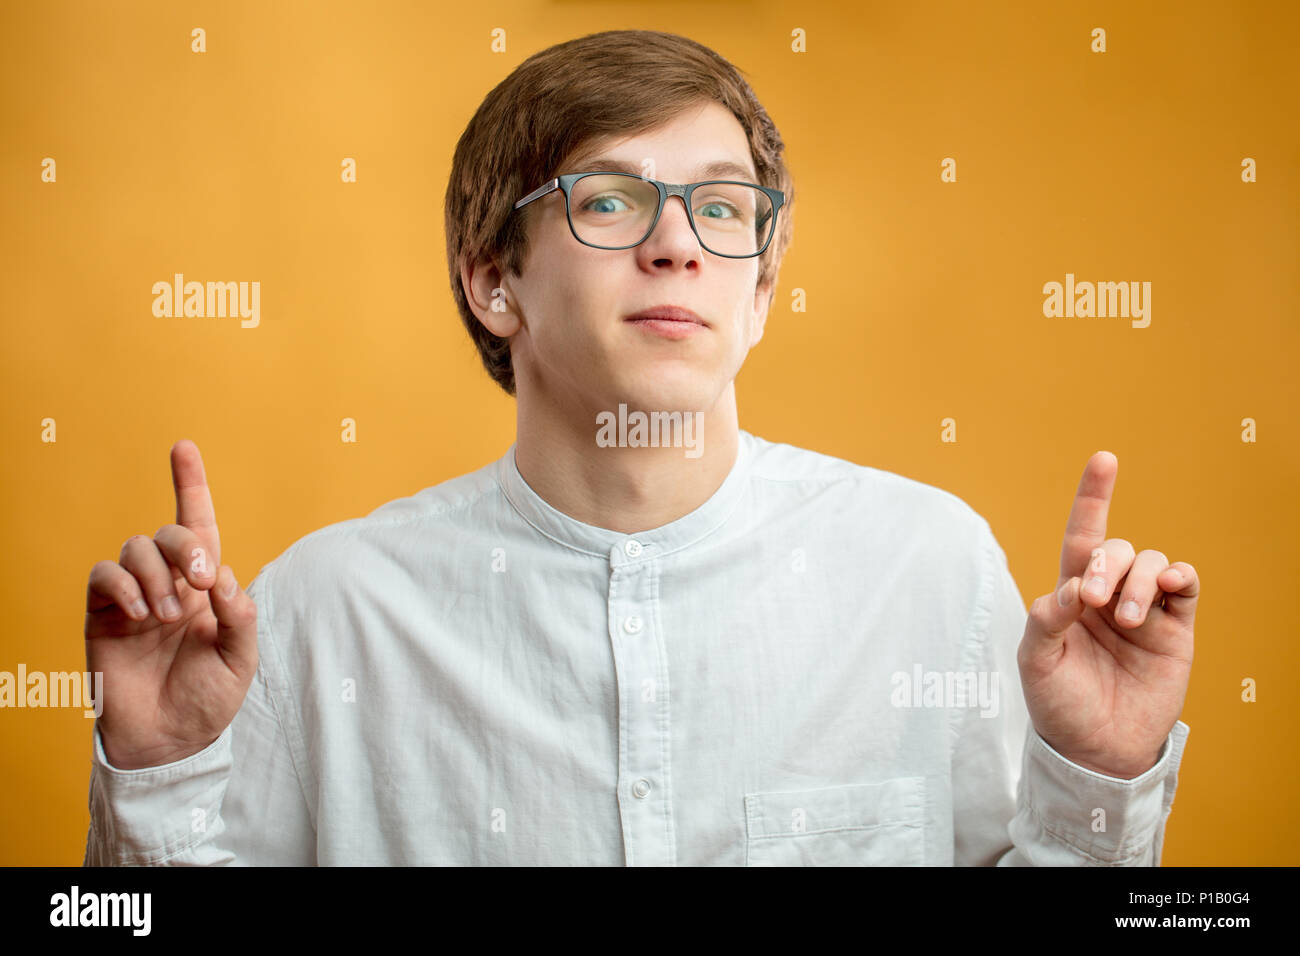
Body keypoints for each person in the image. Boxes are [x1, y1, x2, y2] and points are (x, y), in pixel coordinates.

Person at [82, 29, 1195, 866]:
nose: (675, 245)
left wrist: (1098, 778)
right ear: (493, 281)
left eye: (721, 208)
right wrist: (154, 775)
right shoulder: (326, 610)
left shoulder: (928, 568)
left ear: (759, 293)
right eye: (609, 201)